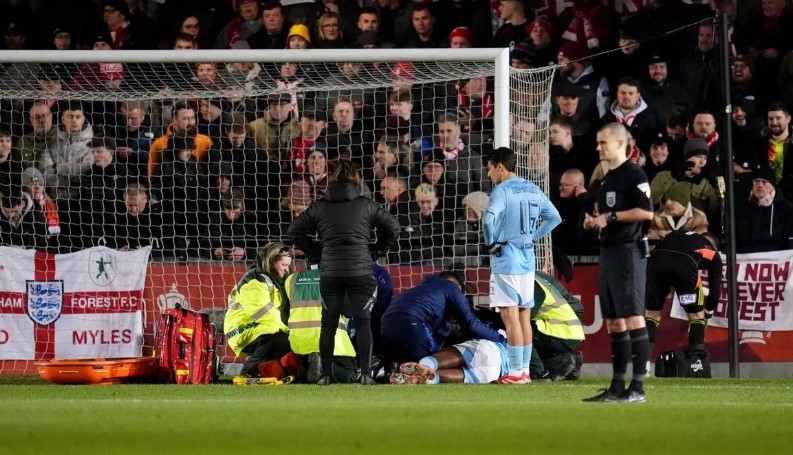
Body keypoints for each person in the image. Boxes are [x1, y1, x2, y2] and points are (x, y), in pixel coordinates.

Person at [288, 161, 401, 385]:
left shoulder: (320, 206)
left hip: (330, 273)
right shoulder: (366, 205)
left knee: (328, 323)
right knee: (362, 321)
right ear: (356, 180)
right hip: (361, 272)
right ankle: (367, 374)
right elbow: (394, 228)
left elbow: (294, 230)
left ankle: (326, 375)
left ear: (332, 180)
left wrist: (316, 253)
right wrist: (374, 252)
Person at [582, 123, 654, 403]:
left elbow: (646, 213)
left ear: (621, 143)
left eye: (603, 143)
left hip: (629, 254)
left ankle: (637, 389)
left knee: (634, 317)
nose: (598, 147)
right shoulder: (606, 179)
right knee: (613, 322)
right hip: (609, 252)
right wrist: (595, 222)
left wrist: (609, 218)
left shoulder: (635, 174)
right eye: (598, 142)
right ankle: (616, 387)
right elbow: (606, 213)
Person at [483, 146, 562, 384]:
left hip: (507, 259)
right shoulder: (533, 188)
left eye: (489, 169)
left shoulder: (501, 190)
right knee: (524, 317)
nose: (488, 175)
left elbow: (488, 220)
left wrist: (490, 244)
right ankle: (525, 372)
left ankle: (516, 373)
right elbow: (555, 218)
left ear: (500, 166)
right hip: (528, 260)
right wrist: (533, 236)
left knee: (510, 318)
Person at [380, 271, 504, 365]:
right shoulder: (450, 287)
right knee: (435, 364)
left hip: (385, 332)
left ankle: (392, 367)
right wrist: (503, 342)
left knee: (412, 363)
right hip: (412, 327)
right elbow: (471, 324)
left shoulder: (418, 291)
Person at [645, 230, 722, 370]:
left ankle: (643, 368)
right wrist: (708, 314)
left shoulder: (677, 234)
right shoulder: (714, 254)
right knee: (696, 316)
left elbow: (661, 253)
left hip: (656, 261)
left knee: (651, 315)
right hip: (684, 264)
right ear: (714, 246)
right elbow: (715, 292)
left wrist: (664, 285)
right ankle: (696, 365)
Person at [223, 242, 293, 377]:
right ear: (271, 262)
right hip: (241, 328)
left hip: (260, 327)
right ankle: (248, 371)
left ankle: (271, 370)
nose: (287, 270)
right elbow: (267, 315)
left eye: (288, 265)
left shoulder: (276, 280)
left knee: (287, 338)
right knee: (281, 338)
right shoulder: (253, 282)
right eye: (284, 265)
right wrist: (291, 330)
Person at [284, 265, 358, 384]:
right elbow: (348, 311)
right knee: (350, 375)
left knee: (306, 373)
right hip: (333, 341)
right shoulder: (336, 278)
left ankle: (309, 366)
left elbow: (285, 311)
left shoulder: (292, 279)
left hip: (301, 342)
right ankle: (322, 367)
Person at [529, 271, 586, 381]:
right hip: (567, 322)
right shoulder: (536, 276)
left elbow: (522, 319)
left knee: (520, 333)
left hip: (565, 325)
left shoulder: (533, 282)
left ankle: (547, 370)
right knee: (523, 334)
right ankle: (565, 361)